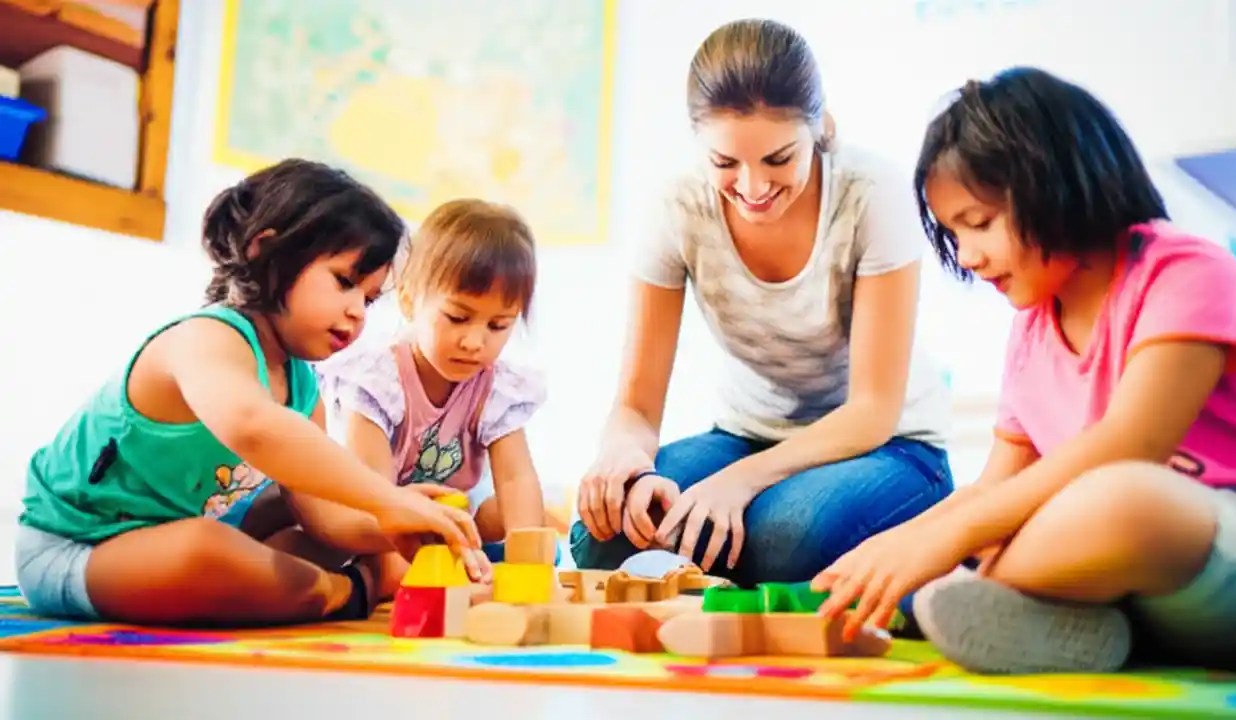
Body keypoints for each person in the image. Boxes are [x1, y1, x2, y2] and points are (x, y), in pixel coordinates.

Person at [813, 67, 1236, 675]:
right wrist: (892, 549)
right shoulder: (1032, 328)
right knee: (945, 548)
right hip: (1138, 590)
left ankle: (978, 593)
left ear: (1055, 186)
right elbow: (992, 489)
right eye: (953, 233)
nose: (967, 256)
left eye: (978, 223)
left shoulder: (1185, 271)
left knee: (1120, 498)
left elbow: (1130, 444)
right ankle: (1093, 633)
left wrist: (941, 551)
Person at [16, 159, 482, 626]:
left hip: (166, 541)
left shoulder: (301, 384)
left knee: (294, 527)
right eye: (344, 282)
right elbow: (253, 427)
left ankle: (341, 579)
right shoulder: (206, 338)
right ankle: (350, 590)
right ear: (266, 252)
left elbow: (326, 517)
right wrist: (387, 499)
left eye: (369, 298)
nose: (358, 310)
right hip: (76, 550)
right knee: (205, 549)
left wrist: (394, 521)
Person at [572, 18, 953, 585]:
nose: (752, 187)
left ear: (821, 128)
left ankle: (908, 541)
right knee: (603, 540)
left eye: (778, 159)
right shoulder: (677, 208)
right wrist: (622, 461)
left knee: (782, 539)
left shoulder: (871, 194)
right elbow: (636, 406)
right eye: (725, 163)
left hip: (891, 446)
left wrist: (739, 482)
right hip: (748, 433)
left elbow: (872, 411)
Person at [309, 198, 549, 584]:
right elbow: (374, 493)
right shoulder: (378, 379)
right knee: (388, 565)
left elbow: (516, 478)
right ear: (408, 300)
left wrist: (530, 570)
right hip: (377, 521)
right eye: (457, 318)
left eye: (498, 325)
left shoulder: (497, 387)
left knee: (531, 518)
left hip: (447, 521)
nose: (474, 341)